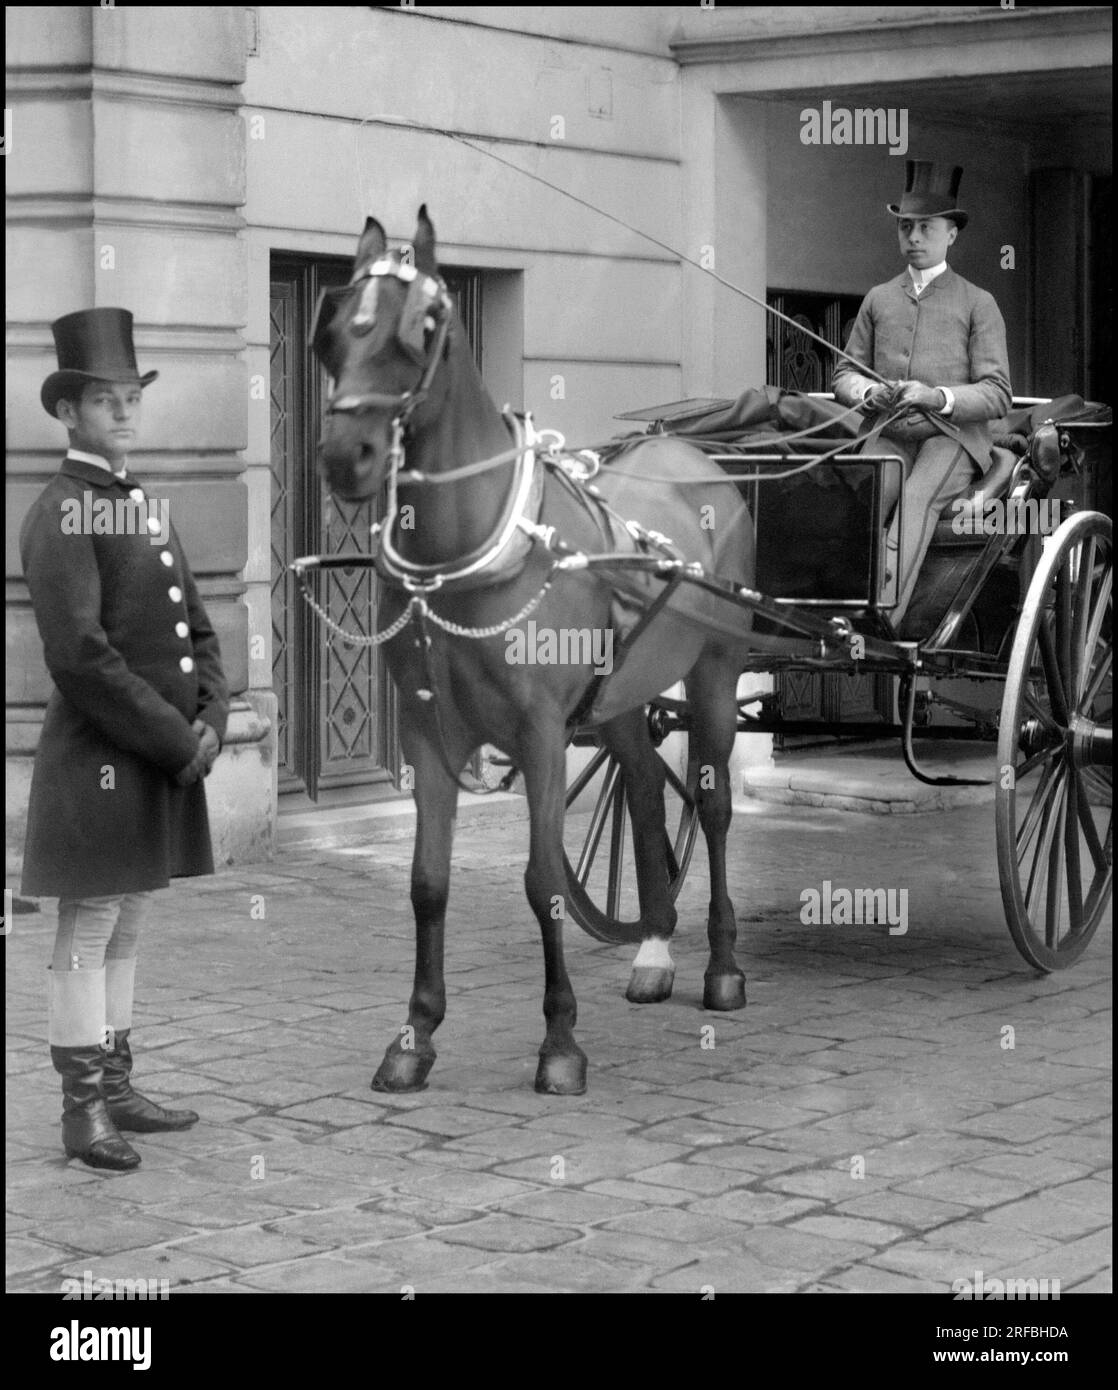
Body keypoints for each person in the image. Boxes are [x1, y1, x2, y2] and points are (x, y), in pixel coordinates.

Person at [20, 307, 230, 1171]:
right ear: (69, 412)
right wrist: (176, 743)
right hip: (102, 758)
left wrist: (213, 718)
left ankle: (115, 1083)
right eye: (104, 401)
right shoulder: (60, 511)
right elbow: (81, 658)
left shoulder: (142, 503)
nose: (123, 413)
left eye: (130, 398)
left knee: (131, 917)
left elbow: (198, 630)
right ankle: (80, 1111)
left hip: (159, 754)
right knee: (92, 918)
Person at [833, 160, 1012, 632]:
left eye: (925, 228)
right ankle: (835, 613)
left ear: (951, 234)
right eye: (905, 227)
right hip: (890, 432)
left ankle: (881, 621)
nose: (913, 237)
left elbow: (997, 394)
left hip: (951, 439)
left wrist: (937, 397)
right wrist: (868, 390)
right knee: (862, 498)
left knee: (917, 499)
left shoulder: (978, 303)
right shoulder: (878, 299)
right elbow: (844, 373)